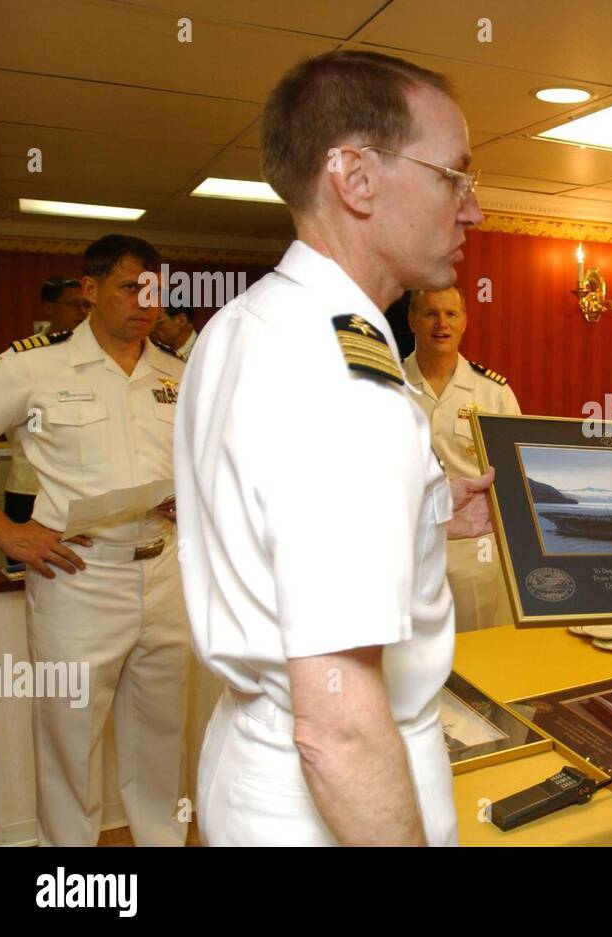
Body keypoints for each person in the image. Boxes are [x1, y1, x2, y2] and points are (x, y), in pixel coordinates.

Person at [175, 49, 491, 846]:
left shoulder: (247, 324)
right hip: (325, 799)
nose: (474, 210)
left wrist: (418, 513)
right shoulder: (341, 383)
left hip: (253, 758)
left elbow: (271, 519)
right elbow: (338, 727)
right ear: (355, 178)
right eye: (454, 177)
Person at [0, 235, 188, 846]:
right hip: (78, 576)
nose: (145, 302)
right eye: (130, 287)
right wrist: (7, 532)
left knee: (160, 739)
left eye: (153, 290)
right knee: (70, 740)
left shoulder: (177, 375)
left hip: (163, 571)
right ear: (90, 290)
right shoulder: (33, 368)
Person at [403, 285, 520, 631]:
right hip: (405, 547)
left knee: (477, 658)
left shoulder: (493, 393)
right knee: (407, 660)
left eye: (451, 314)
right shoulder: (385, 386)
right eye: (430, 313)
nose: (442, 323)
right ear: (412, 321)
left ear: (464, 321)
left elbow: (514, 478)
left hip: (475, 553)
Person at [0, 275, 89, 525]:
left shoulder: (99, 360)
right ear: (49, 308)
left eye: (86, 305)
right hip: (29, 487)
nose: (82, 312)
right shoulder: (25, 358)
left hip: (81, 492)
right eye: (72, 305)